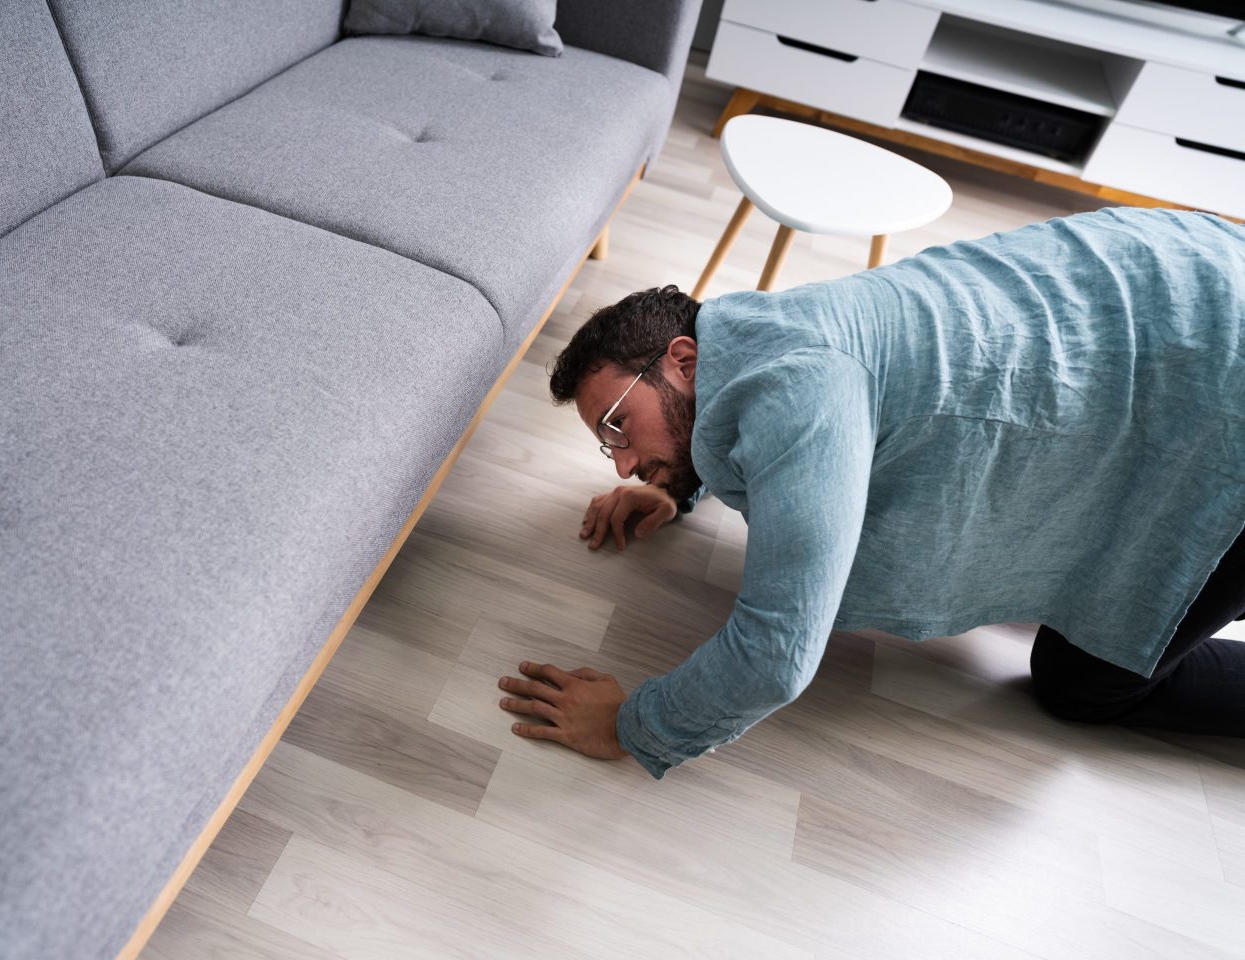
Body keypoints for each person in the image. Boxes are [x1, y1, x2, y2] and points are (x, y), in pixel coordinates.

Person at [494, 206, 1245, 780]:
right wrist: (678, 485)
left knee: (1084, 681)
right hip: (1171, 287)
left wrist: (632, 724)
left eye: (622, 426)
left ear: (683, 360)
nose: (621, 465)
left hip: (1222, 379)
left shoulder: (800, 393)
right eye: (610, 442)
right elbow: (766, 440)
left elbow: (776, 654)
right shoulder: (756, 337)